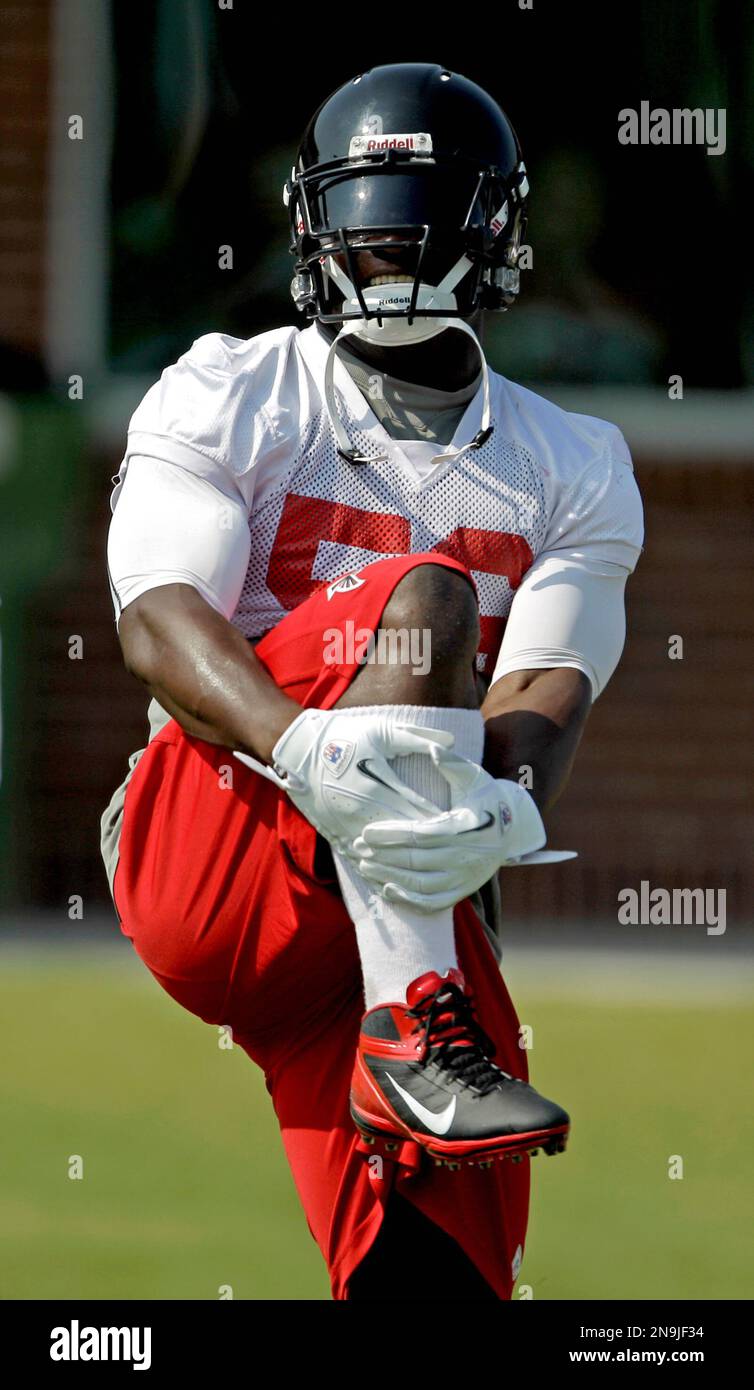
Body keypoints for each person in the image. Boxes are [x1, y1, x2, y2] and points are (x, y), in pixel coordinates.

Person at [101, 63, 643, 1301]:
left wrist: (508, 799)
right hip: (221, 848)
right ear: (312, 223)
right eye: (366, 217)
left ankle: (407, 1027)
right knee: (429, 590)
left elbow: (553, 673)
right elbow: (158, 617)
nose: (387, 252)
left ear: (488, 233)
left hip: (397, 901)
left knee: (441, 1278)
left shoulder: (576, 463)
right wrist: (302, 750)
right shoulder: (231, 388)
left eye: (416, 218)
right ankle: (407, 1023)